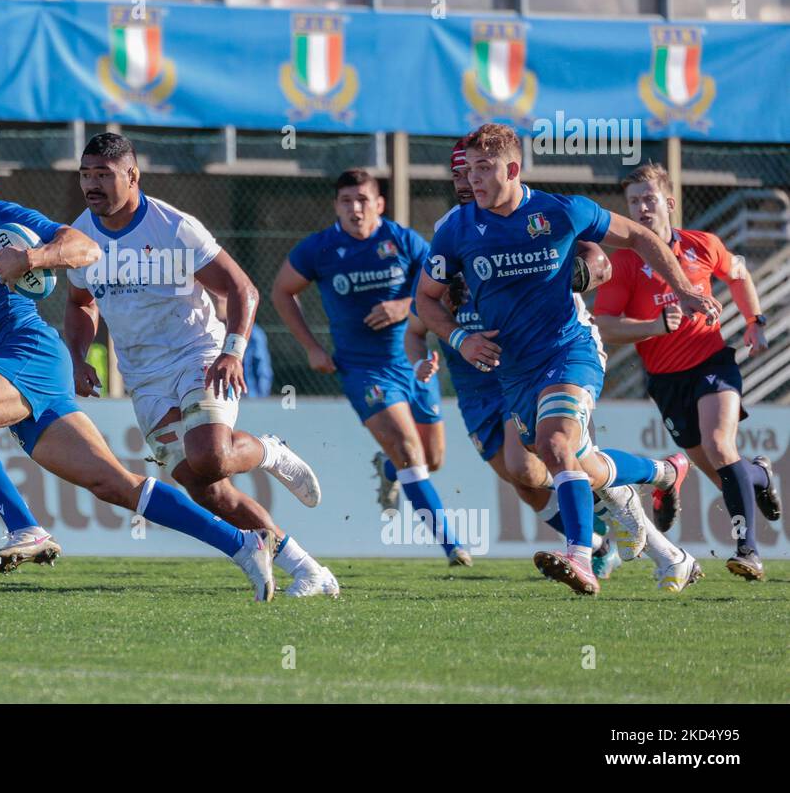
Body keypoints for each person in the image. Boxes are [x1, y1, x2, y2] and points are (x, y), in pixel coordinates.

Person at [0, 140, 280, 599]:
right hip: (16, 368)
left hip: (24, 350)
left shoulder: (0, 218)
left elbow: (84, 247)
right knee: (114, 485)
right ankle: (244, 544)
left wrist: (31, 258)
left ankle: (26, 529)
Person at [416, 124, 715, 595]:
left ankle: (582, 558)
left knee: (556, 447)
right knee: (574, 462)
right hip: (512, 370)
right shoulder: (454, 229)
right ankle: (664, 472)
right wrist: (459, 339)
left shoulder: (560, 211)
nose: (471, 179)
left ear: (512, 169)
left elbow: (634, 239)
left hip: (568, 348)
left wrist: (683, 288)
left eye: (482, 168)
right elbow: (425, 299)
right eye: (466, 169)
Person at [65, 132, 337, 597]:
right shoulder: (80, 238)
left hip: (199, 355)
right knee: (208, 488)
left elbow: (242, 289)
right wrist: (78, 356)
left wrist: (233, 349)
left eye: (103, 175)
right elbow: (80, 303)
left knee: (210, 456)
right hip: (144, 379)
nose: (92, 185)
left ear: (132, 176)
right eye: (86, 175)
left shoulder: (173, 227)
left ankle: (268, 450)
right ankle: (308, 568)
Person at [272, 168, 471, 567]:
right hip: (365, 372)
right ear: (336, 206)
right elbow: (281, 291)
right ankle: (453, 546)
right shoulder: (321, 249)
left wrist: (403, 306)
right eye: (346, 201)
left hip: (414, 364)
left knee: (432, 459)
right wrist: (311, 347)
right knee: (409, 450)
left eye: (363, 200)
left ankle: (387, 468)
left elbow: (444, 286)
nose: (355, 208)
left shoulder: (403, 240)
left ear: (379, 204)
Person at [593, 163, 781, 581]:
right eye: (633, 201)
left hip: (712, 364)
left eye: (649, 199)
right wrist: (655, 326)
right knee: (720, 469)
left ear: (669, 203)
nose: (641, 208)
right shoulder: (623, 263)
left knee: (719, 445)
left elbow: (738, 273)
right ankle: (759, 473)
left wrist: (755, 322)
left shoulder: (702, 245)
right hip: (665, 381)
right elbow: (603, 325)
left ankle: (748, 551)